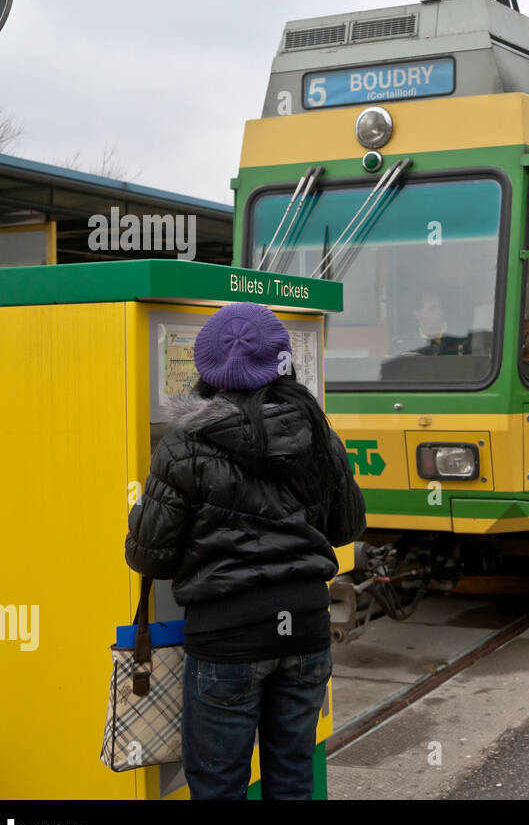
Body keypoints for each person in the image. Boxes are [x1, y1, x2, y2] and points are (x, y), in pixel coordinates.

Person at [125, 302, 366, 799]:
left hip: (227, 639)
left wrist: (142, 511)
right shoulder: (320, 435)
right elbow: (347, 527)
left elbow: (150, 557)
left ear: (208, 370)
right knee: (293, 778)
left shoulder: (181, 448)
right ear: (284, 363)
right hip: (305, 631)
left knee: (218, 785)